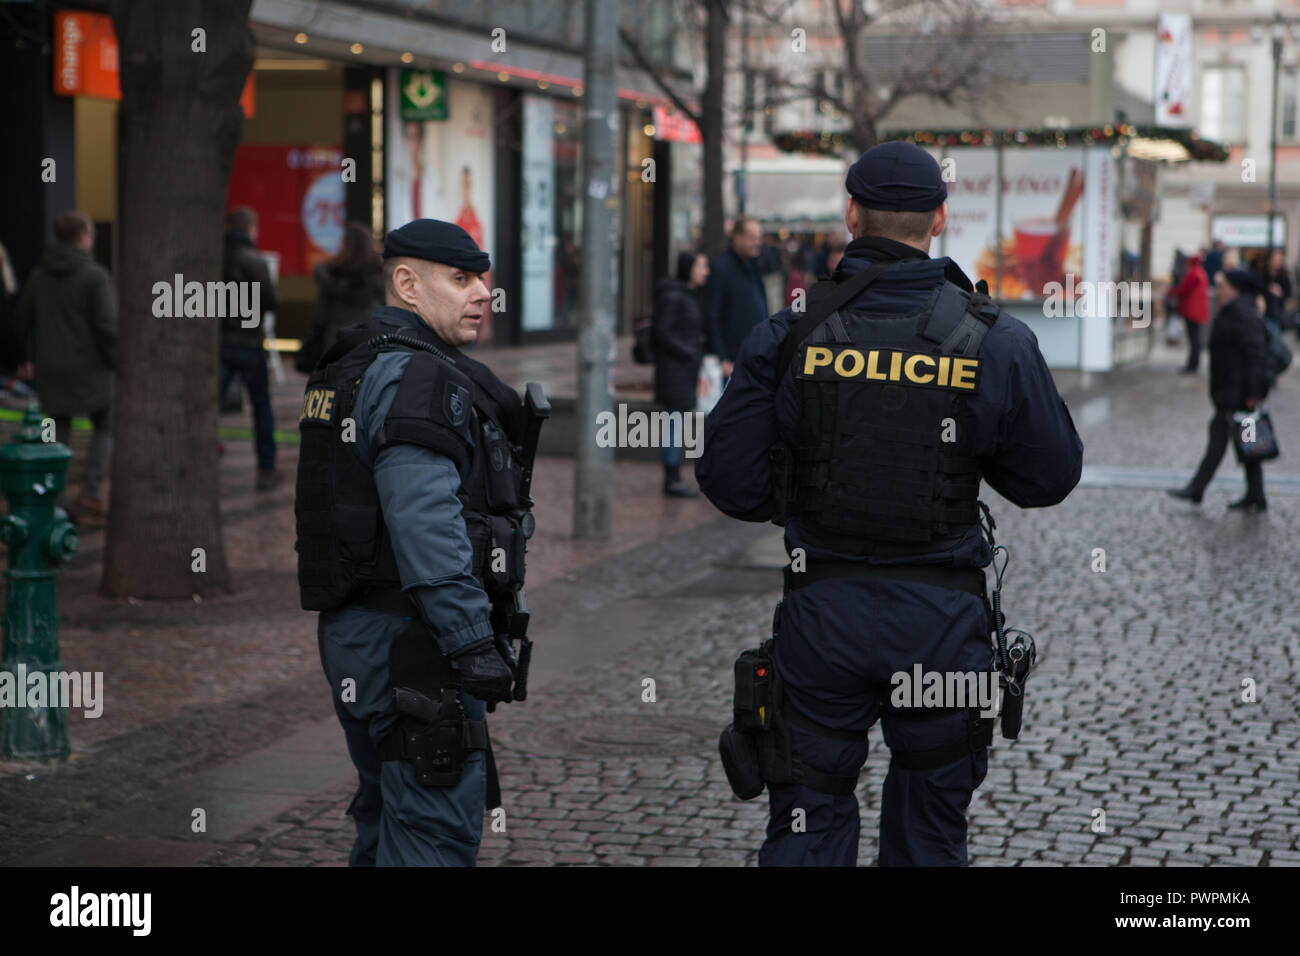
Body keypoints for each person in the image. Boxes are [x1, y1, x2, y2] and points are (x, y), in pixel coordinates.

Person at [698, 141, 1083, 867]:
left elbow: (730, 480)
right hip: (942, 624)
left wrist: (813, 482)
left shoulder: (789, 332)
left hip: (823, 618)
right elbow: (1050, 477)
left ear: (850, 216)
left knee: (807, 820)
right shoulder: (994, 339)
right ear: (940, 219)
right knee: (931, 833)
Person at [296, 218, 540, 866]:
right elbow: (424, 523)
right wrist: (471, 643)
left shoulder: (353, 363)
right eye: (461, 279)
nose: (483, 292)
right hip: (413, 646)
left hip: (359, 637)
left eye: (482, 278)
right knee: (430, 836)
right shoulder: (417, 378)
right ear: (407, 283)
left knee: (384, 824)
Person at [11, 210, 117, 522]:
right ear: (83, 236)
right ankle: (90, 492)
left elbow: (20, 322)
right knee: (105, 425)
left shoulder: (39, 276)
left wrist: (22, 358)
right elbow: (107, 327)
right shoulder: (95, 276)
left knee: (56, 431)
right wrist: (116, 360)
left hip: (52, 369)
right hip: (92, 369)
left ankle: (54, 496)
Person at [1167, 269, 1272, 513]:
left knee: (1224, 441)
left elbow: (1256, 355)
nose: (1219, 291)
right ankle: (1254, 494)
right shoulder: (1235, 312)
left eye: (1223, 285)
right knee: (1244, 443)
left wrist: (1254, 393)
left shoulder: (1243, 314)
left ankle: (1198, 488)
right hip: (1231, 392)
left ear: (1236, 289)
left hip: (1240, 394)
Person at [220, 206, 281, 490]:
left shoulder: (213, 258)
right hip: (249, 342)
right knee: (261, 407)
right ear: (251, 230)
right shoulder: (255, 260)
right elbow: (270, 301)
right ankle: (266, 468)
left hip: (220, 342)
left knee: (207, 403)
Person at [652, 251, 708, 496]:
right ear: (689, 269)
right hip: (675, 370)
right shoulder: (675, 296)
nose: (706, 271)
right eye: (701, 266)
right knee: (674, 424)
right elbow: (662, 332)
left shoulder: (687, 295)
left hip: (682, 370)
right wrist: (689, 352)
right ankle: (672, 479)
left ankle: (673, 476)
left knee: (677, 422)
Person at [706, 217, 767, 380]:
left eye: (759, 238)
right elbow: (713, 316)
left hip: (753, 356)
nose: (758, 242)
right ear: (737, 237)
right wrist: (722, 357)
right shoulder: (721, 268)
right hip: (732, 361)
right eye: (752, 238)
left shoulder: (753, 266)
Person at [309, 222, 383, 351]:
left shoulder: (331, 273)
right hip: (370, 336)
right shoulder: (378, 273)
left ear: (344, 245)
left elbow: (320, 313)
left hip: (336, 338)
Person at [1169, 252, 1209, 373]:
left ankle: (1192, 365)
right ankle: (1193, 364)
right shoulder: (1199, 273)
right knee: (1194, 338)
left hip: (1192, 312)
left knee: (1194, 339)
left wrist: (1169, 292)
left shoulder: (1194, 274)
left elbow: (1183, 289)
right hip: (1195, 311)